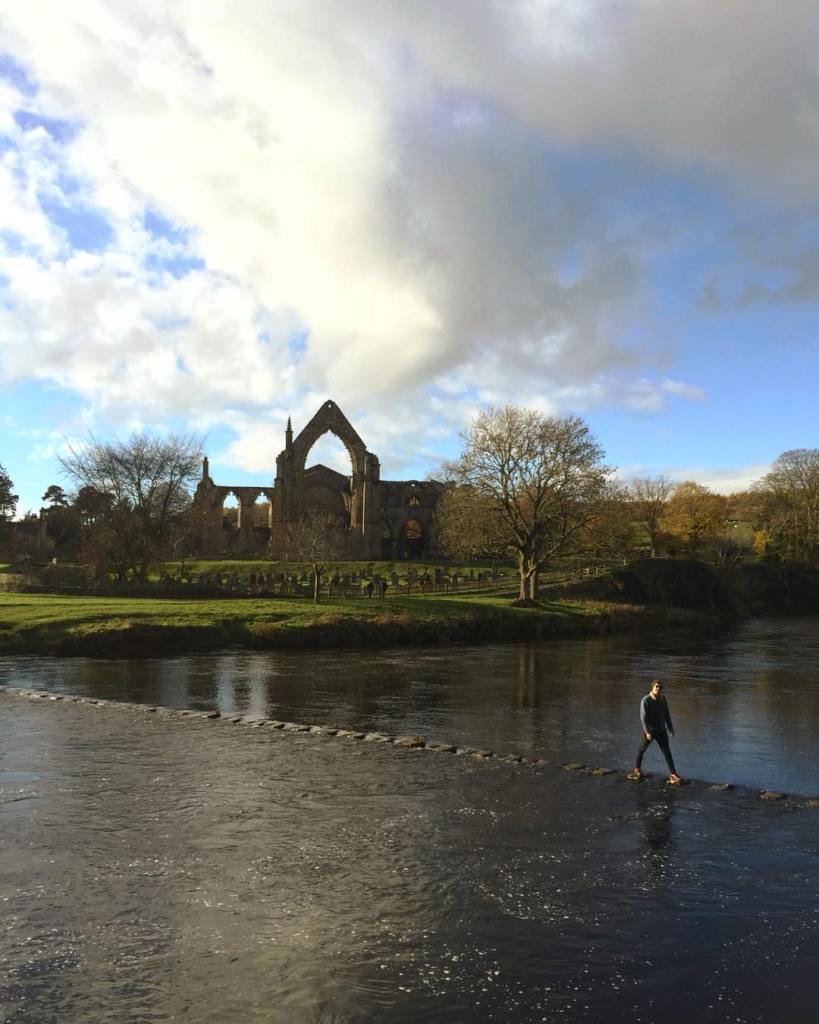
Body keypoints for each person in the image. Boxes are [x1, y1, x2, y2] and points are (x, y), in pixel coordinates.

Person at [630, 679, 682, 784]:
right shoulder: (646, 700)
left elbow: (667, 714)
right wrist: (647, 732)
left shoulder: (663, 699)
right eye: (656, 686)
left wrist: (671, 728)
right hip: (650, 731)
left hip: (662, 730)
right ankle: (637, 769)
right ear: (652, 687)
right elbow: (643, 718)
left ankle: (673, 774)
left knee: (667, 752)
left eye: (660, 687)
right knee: (642, 750)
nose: (658, 689)